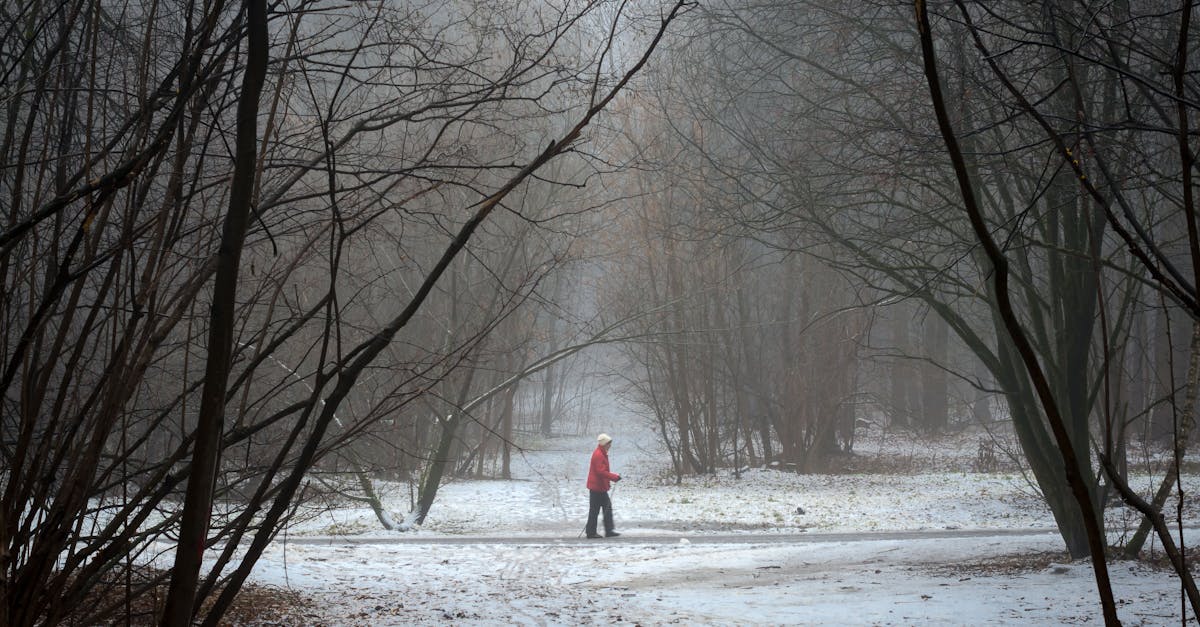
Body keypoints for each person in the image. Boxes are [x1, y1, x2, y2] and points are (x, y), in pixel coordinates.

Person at [585, 433, 621, 538]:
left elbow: (602, 472)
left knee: (607, 508)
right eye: (609, 443)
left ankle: (608, 531)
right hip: (596, 487)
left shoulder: (602, 453)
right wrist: (614, 477)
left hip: (600, 487)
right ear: (604, 444)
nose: (610, 445)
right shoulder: (599, 455)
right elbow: (601, 472)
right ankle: (591, 533)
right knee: (595, 510)